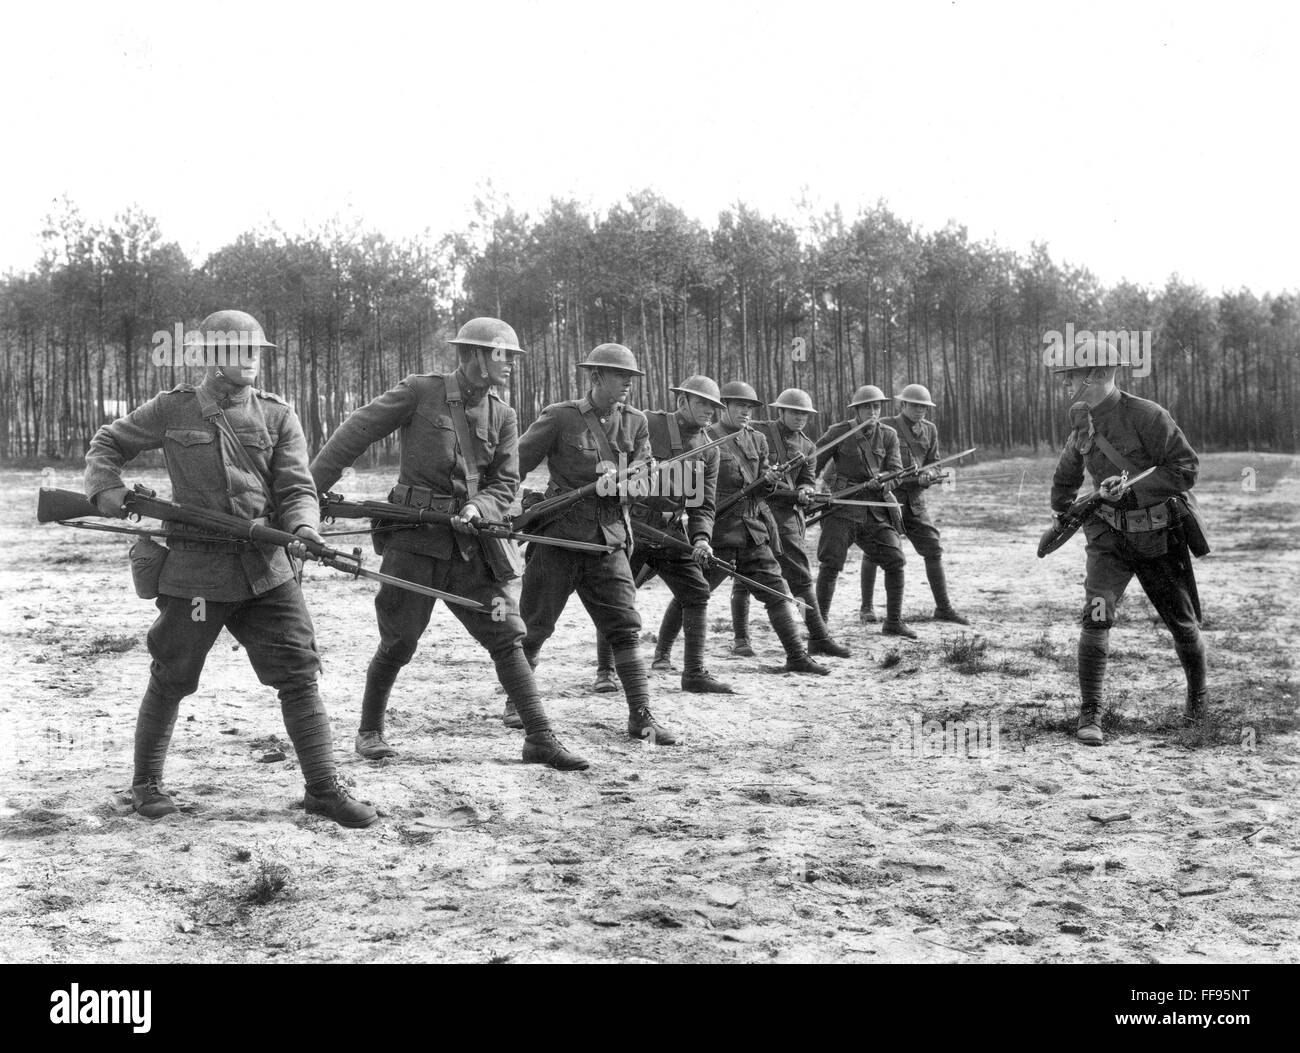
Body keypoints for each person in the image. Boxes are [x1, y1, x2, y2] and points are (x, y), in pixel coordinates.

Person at [84, 309, 377, 827]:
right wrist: (105, 486)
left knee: (299, 673)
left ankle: (323, 788)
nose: (250, 362)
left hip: (266, 569)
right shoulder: (173, 408)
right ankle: (146, 783)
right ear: (211, 355)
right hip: (196, 570)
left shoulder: (277, 415)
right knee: (172, 674)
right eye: (239, 351)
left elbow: (296, 488)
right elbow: (109, 441)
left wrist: (305, 529)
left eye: (255, 352)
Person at [309, 317, 588, 772]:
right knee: (399, 641)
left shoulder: (504, 414)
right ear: (477, 356)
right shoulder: (421, 391)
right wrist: (308, 492)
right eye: (503, 356)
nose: (512, 365)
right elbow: (356, 432)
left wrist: (480, 506)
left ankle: (538, 735)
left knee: (506, 634)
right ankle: (369, 730)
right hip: (414, 544)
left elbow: (507, 483)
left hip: (471, 549)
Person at [516, 344, 679, 744]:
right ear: (595, 378)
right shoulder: (559, 417)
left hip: (608, 540)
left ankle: (641, 715)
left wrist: (631, 484)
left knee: (625, 627)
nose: (627, 384)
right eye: (620, 376)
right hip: (557, 537)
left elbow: (641, 485)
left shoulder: (637, 423)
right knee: (536, 626)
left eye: (631, 378)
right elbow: (512, 467)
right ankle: (517, 703)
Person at [1050, 338, 1207, 746]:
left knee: (1183, 624)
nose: (1065, 383)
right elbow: (1066, 473)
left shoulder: (1148, 415)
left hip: (1158, 538)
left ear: (1099, 374)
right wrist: (1063, 510)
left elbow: (1186, 468)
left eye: (1072, 376)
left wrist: (1133, 491)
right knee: (1096, 616)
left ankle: (1198, 705)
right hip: (1109, 541)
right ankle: (1091, 713)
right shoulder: (1082, 425)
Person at [653, 381, 831, 675]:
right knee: (692, 592)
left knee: (775, 590)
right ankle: (662, 653)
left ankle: (797, 656)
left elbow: (762, 491)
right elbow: (696, 490)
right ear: (725, 408)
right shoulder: (707, 437)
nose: (746, 412)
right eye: (739, 406)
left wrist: (769, 480)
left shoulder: (758, 440)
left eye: (750, 407)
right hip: (718, 531)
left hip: (752, 530)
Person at [590, 374, 734, 695]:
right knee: (616, 597)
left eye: (714, 407)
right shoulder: (648, 424)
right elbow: (613, 453)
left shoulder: (710, 450)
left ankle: (694, 672)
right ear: (681, 402)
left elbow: (704, 505)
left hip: (671, 531)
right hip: (633, 527)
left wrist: (700, 539)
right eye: (702, 404)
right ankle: (605, 670)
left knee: (697, 591)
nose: (710, 412)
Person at [727, 387, 851, 659]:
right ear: (780, 411)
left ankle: (818, 636)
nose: (800, 418)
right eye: (794, 412)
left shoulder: (808, 445)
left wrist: (806, 490)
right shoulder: (758, 431)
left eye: (804, 414)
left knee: (801, 578)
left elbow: (808, 476)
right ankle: (741, 639)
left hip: (786, 519)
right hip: (753, 512)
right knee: (745, 578)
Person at [859, 383, 968, 625]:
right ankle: (866, 607)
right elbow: (873, 462)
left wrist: (930, 475)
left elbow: (935, 462)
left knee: (933, 548)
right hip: (887, 500)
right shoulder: (885, 425)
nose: (920, 411)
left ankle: (943, 607)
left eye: (924, 407)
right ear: (903, 405)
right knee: (877, 551)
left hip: (915, 502)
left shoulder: (930, 430)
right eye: (916, 406)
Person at [813, 385, 914, 638]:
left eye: (877, 406)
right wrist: (808, 488)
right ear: (856, 409)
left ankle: (893, 622)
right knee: (830, 564)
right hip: (842, 509)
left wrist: (884, 481)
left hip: (874, 511)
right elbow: (813, 463)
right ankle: (819, 625)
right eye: (867, 406)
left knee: (895, 560)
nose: (873, 411)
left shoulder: (889, 435)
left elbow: (896, 473)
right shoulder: (839, 432)